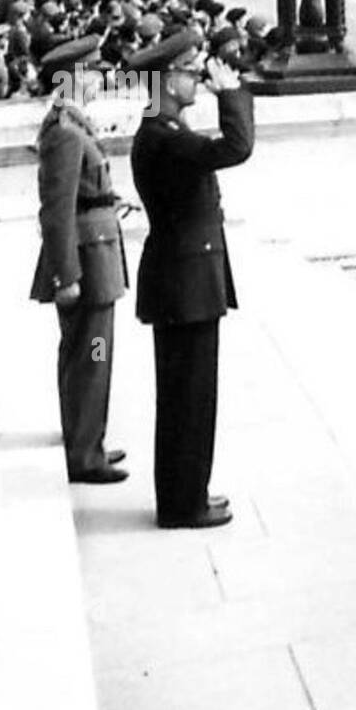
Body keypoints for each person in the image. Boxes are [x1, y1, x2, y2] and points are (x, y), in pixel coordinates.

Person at [129, 29, 255, 529]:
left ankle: (187, 493)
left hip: (185, 280)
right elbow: (236, 148)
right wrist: (232, 95)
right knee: (189, 398)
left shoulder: (164, 131)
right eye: (188, 72)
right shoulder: (166, 138)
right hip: (184, 284)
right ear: (163, 81)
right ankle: (184, 503)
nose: (196, 79)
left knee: (190, 397)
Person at [28, 36, 129, 483]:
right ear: (72, 78)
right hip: (88, 263)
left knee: (85, 353)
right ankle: (86, 453)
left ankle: (87, 439)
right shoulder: (66, 132)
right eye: (91, 72)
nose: (99, 78)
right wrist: (66, 275)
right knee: (93, 353)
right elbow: (57, 210)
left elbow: (81, 191)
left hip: (94, 252)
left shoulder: (70, 123)